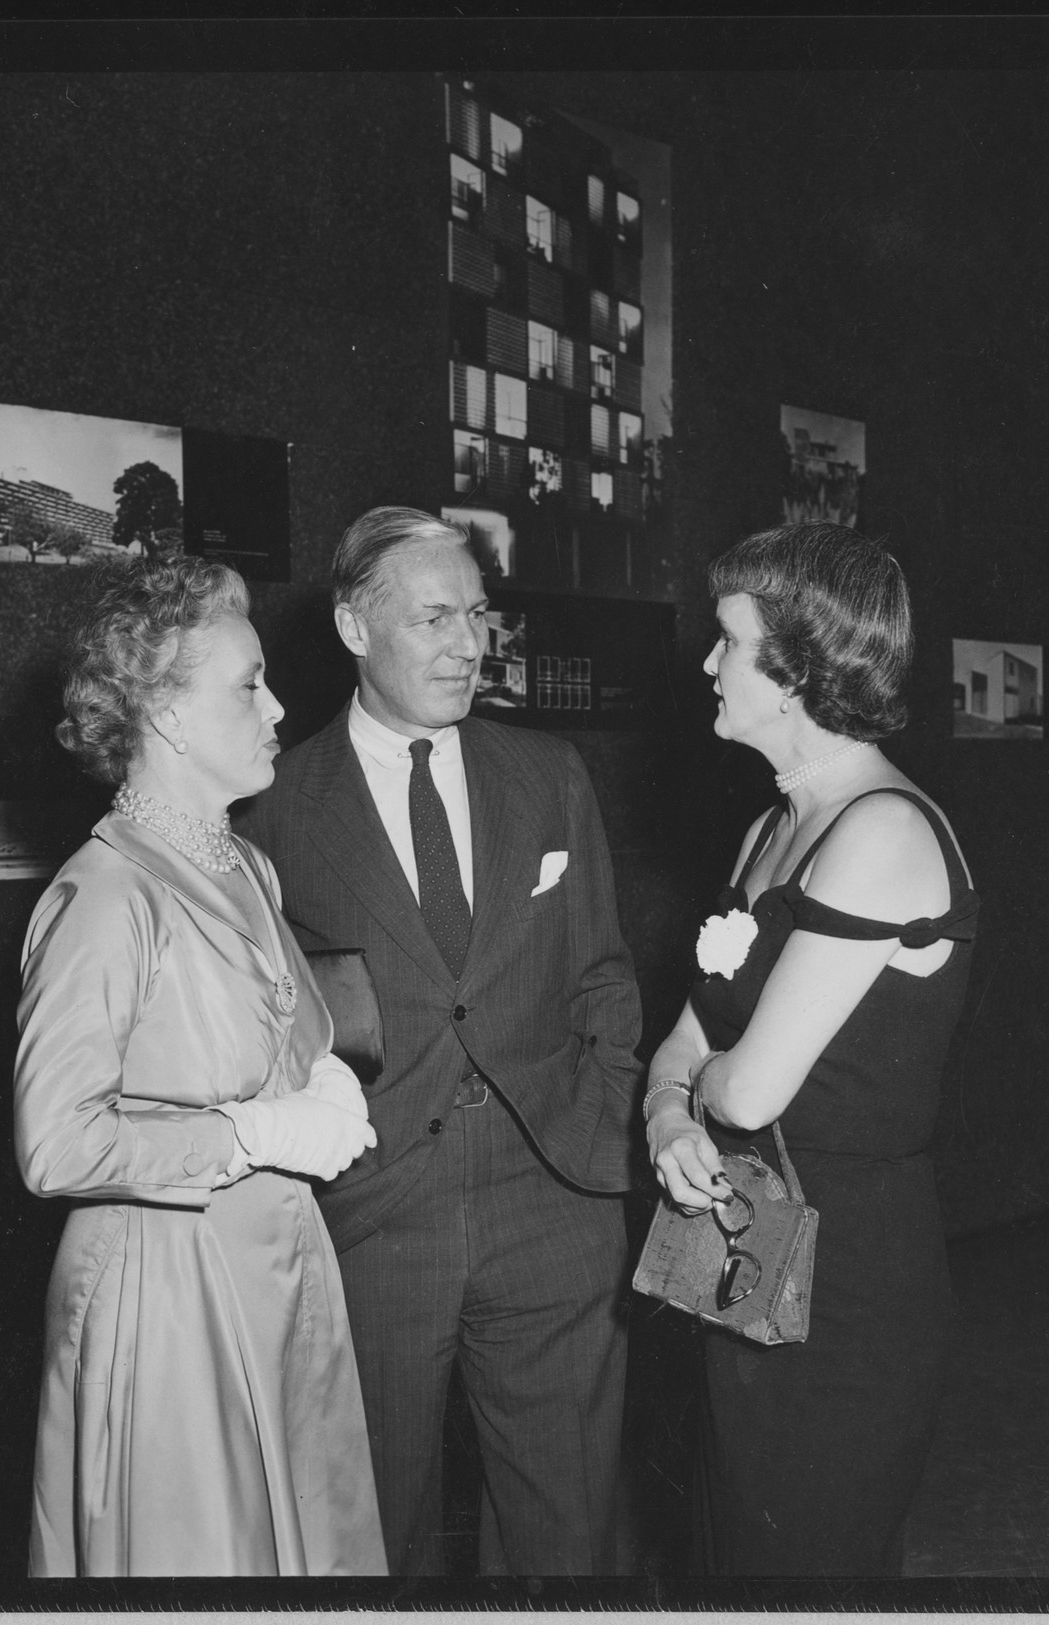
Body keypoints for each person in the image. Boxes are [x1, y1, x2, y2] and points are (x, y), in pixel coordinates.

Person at [238, 506, 643, 1577]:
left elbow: (602, 971)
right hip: (373, 1217)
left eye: (476, 614)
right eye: (433, 617)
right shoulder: (273, 802)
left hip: (551, 1205)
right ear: (353, 626)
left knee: (567, 1530)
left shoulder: (546, 771)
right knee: (377, 1532)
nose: (468, 644)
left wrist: (596, 1147)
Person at [14, 555, 387, 1577]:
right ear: (168, 714)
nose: (276, 703)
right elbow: (55, 1144)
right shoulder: (104, 894)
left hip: (279, 1266)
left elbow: (290, 1033)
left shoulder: (242, 860)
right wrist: (251, 1131)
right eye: (246, 683)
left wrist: (324, 1077)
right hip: (166, 1288)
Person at [645, 522, 978, 1577]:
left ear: (794, 670)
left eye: (726, 641)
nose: (705, 662)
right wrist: (662, 1114)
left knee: (806, 1566)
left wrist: (686, 1089)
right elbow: (693, 1035)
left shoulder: (879, 830)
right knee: (734, 1544)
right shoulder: (770, 828)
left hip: (850, 1278)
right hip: (752, 1244)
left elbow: (743, 1086)